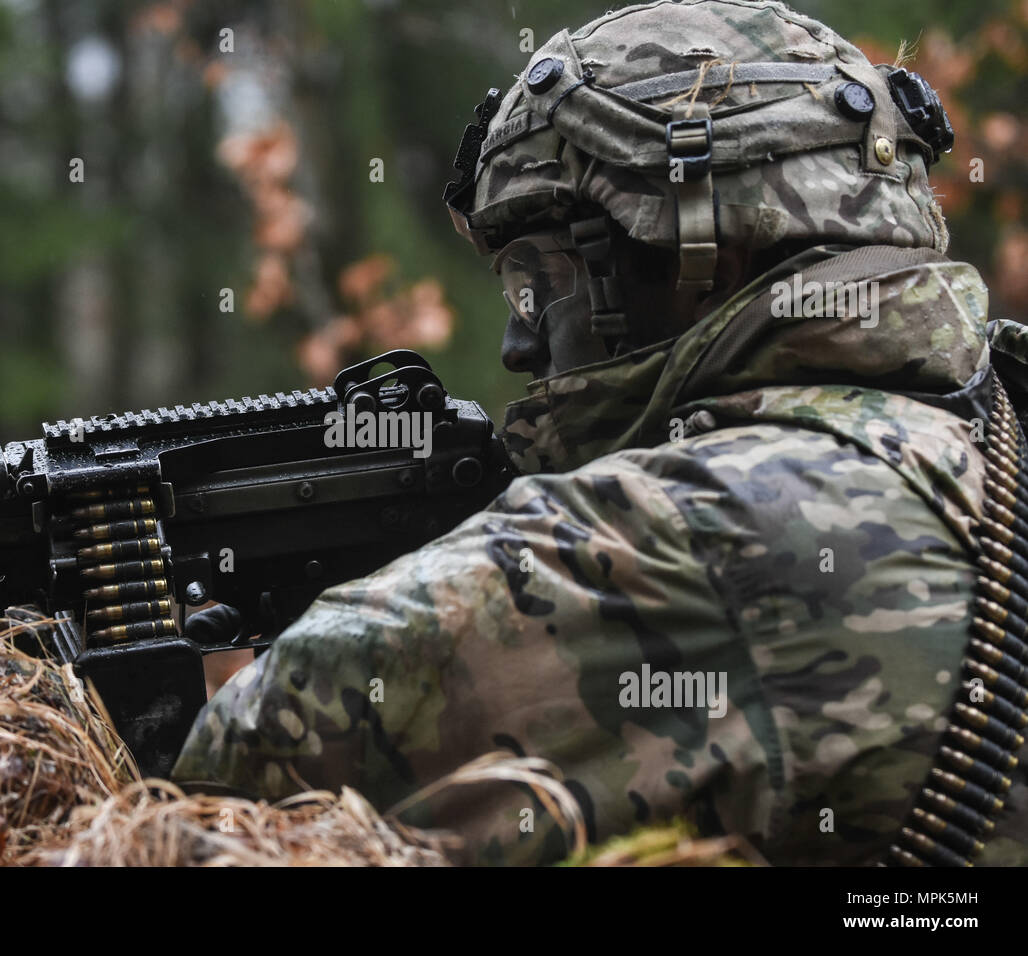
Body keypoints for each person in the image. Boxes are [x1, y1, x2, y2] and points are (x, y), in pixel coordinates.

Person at [173, 0, 1028, 866]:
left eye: (537, 281)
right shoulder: (992, 432)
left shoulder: (704, 529)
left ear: (703, 252)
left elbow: (230, 777)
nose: (516, 345)